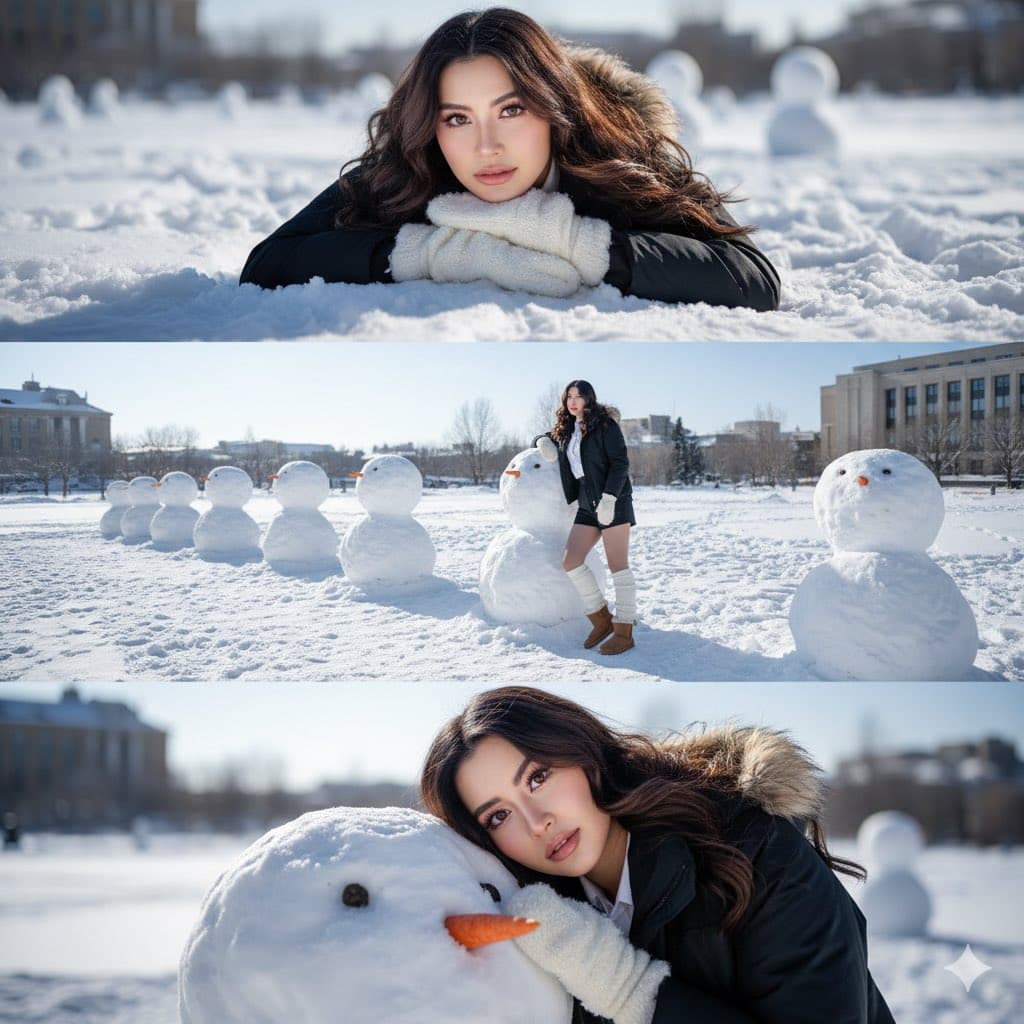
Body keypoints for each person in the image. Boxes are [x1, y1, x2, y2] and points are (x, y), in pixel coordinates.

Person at [240, 8, 780, 310]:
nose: (486, 147)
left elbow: (754, 277)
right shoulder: (407, 171)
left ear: (554, 108)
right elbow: (267, 264)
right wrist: (428, 254)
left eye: (511, 110)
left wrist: (585, 247)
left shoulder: (621, 154)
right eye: (457, 118)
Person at [421, 686, 895, 1024]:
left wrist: (625, 988)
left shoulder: (759, 855)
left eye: (537, 778)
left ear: (584, 754)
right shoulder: (541, 918)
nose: (535, 822)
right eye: (498, 817)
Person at [535, 380, 635, 655]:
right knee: (571, 561)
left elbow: (620, 463)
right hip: (586, 505)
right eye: (569, 396)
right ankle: (601, 619)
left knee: (618, 566)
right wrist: (543, 442)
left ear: (590, 398)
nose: (573, 401)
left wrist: (610, 497)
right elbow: (542, 437)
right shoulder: (567, 430)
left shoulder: (605, 425)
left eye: (579, 396)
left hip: (612, 502)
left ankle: (625, 631)